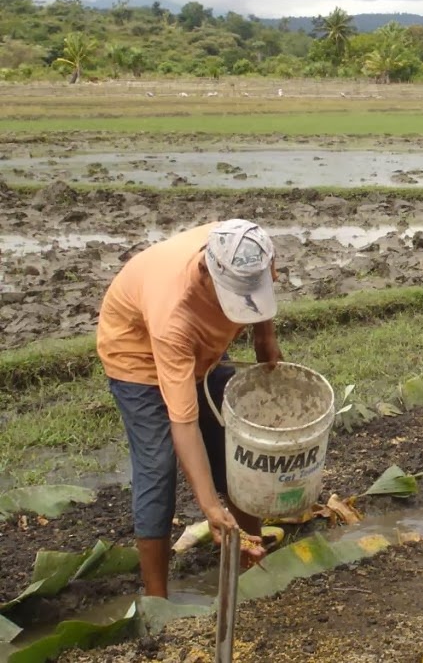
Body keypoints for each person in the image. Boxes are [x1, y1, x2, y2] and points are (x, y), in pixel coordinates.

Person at [96, 219, 283, 597]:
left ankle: (251, 556)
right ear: (205, 272)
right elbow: (184, 423)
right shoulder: (174, 314)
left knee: (231, 448)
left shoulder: (248, 247)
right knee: (158, 465)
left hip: (203, 348)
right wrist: (210, 507)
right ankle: (157, 598)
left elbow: (259, 292)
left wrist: (264, 337)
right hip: (138, 357)